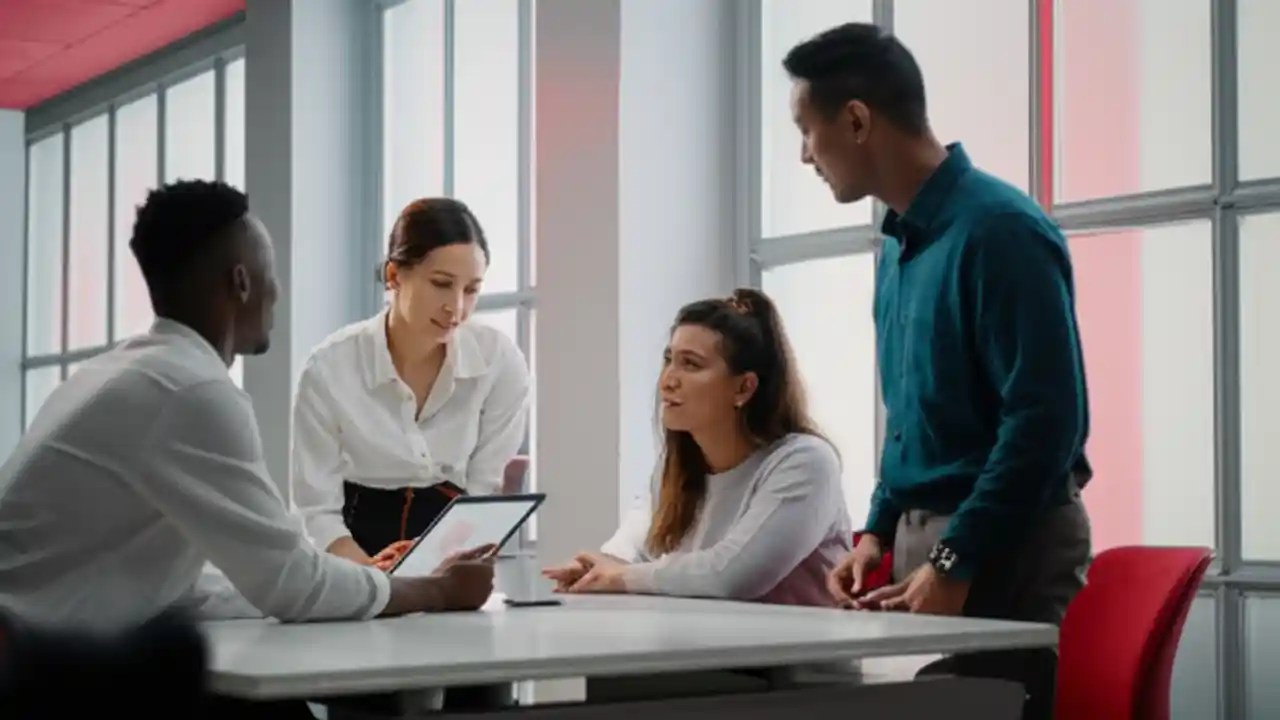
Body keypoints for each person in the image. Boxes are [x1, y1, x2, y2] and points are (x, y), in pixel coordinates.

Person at [0, 181, 495, 716]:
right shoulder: (192, 392)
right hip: (39, 675)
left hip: (36, 652)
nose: (277, 293)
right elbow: (291, 583)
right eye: (271, 275)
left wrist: (376, 581)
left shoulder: (123, 372)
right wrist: (436, 592)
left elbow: (211, 581)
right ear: (241, 281)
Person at [781, 23, 1092, 720]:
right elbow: (916, 422)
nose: (804, 155)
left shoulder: (1001, 230)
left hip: (1005, 544)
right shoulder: (898, 245)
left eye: (808, 130)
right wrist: (876, 533)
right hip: (939, 543)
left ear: (857, 120)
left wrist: (958, 560)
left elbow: (1045, 423)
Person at [543, 288, 850, 606]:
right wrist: (592, 570)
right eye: (668, 360)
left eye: (690, 365)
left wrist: (619, 576)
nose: (667, 380)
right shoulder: (674, 467)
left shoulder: (806, 462)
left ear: (744, 387)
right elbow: (629, 551)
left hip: (797, 655)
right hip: (706, 651)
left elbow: (732, 574)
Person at [290, 197, 531, 572]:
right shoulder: (329, 368)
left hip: (454, 565)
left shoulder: (499, 362)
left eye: (471, 290)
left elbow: (485, 492)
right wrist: (373, 578)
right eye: (441, 284)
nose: (457, 307)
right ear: (394, 275)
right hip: (351, 565)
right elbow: (316, 511)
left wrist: (432, 570)